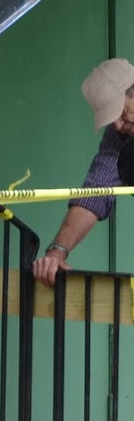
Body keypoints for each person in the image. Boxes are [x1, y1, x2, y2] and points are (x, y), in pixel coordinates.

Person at [32, 57, 134, 286]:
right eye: (111, 119)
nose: (117, 125)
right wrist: (56, 253)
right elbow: (96, 190)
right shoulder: (120, 136)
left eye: (120, 111)